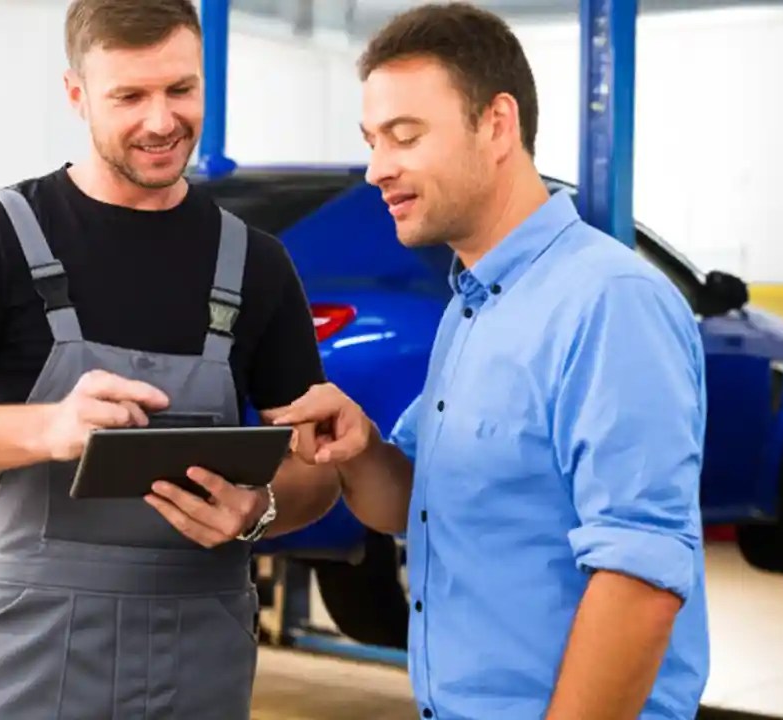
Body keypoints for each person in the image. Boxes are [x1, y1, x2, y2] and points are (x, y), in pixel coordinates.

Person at [0, 1, 340, 717]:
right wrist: (48, 429)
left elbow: (316, 469)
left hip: (200, 653)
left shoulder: (258, 267)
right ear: (77, 94)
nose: (160, 120)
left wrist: (261, 508)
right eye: (129, 96)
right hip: (35, 650)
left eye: (180, 90)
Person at [274, 3, 710, 718]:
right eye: (372, 140)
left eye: (404, 137)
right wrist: (360, 448)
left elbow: (640, 580)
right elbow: (413, 507)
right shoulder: (474, 307)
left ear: (497, 125)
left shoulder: (608, 301)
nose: (378, 169)